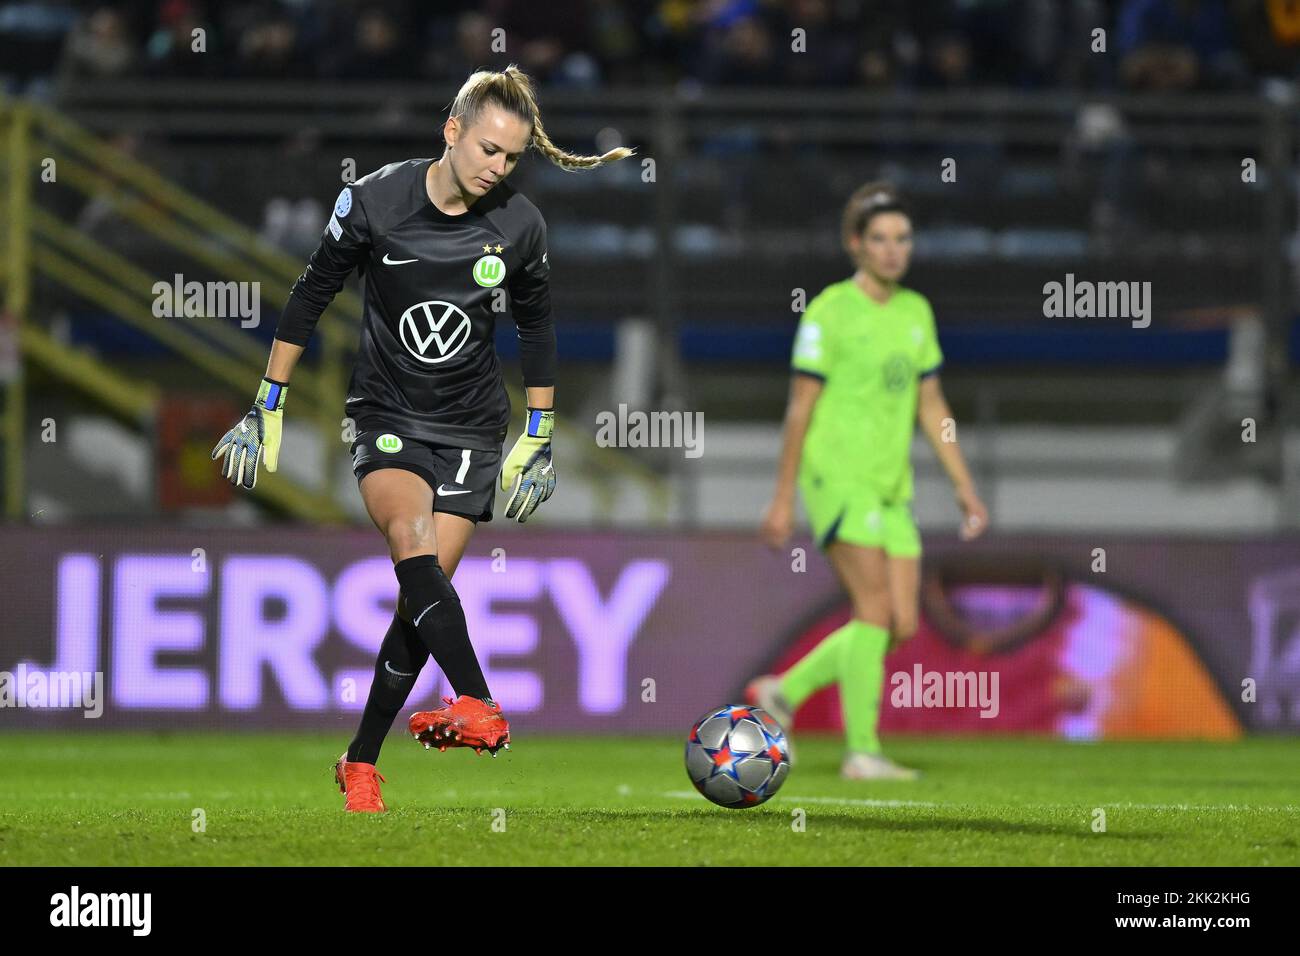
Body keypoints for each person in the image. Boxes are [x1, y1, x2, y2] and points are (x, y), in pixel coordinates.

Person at [211, 65, 633, 812]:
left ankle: (360, 762)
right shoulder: (375, 200)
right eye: (487, 151)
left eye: (510, 158)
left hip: (473, 425)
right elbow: (311, 293)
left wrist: (538, 431)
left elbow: (536, 326)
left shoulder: (520, 224)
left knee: (419, 600)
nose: (497, 168)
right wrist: (267, 399)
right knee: (409, 539)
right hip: (387, 414)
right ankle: (478, 699)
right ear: (452, 131)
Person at [750, 183, 988, 781]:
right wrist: (783, 499)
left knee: (900, 624)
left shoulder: (916, 312)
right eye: (879, 239)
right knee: (875, 608)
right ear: (856, 244)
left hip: (892, 487)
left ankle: (784, 690)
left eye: (902, 239)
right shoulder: (829, 309)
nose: (892, 250)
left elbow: (933, 407)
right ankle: (861, 751)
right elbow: (799, 409)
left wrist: (963, 483)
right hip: (837, 476)